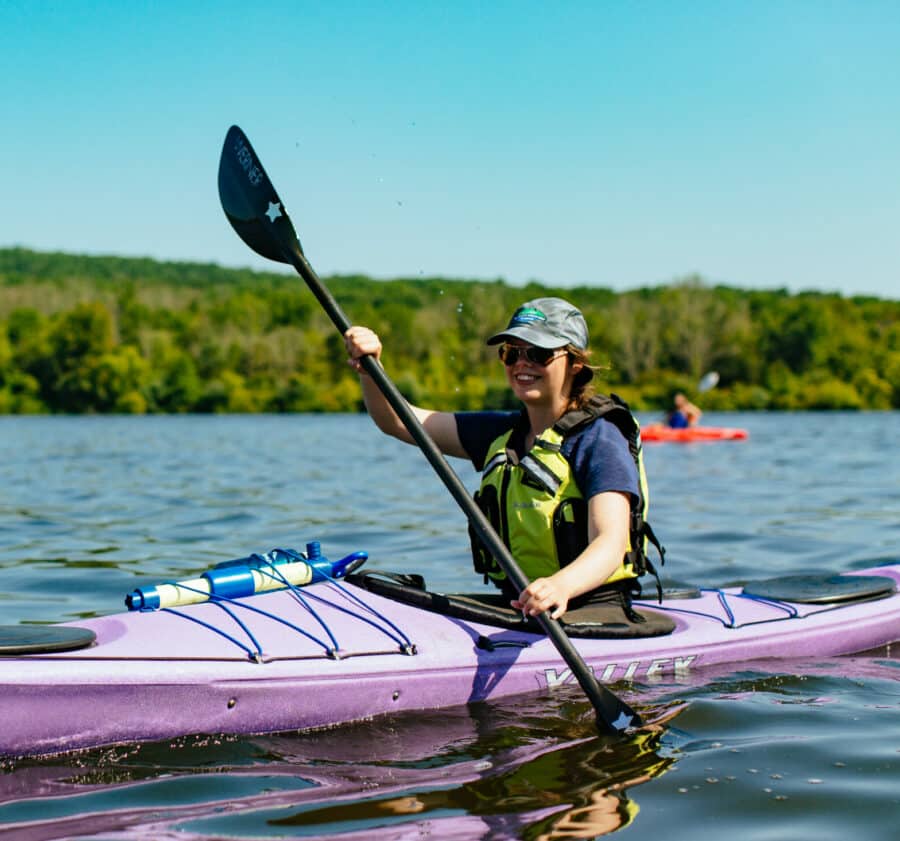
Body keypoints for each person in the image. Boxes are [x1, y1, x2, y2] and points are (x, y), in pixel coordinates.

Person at [344, 297, 658, 621]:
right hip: (521, 606)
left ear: (575, 364)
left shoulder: (599, 437)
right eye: (511, 353)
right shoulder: (501, 432)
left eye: (538, 353)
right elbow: (398, 421)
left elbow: (611, 541)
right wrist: (371, 369)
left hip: (593, 609)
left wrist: (561, 586)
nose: (522, 364)